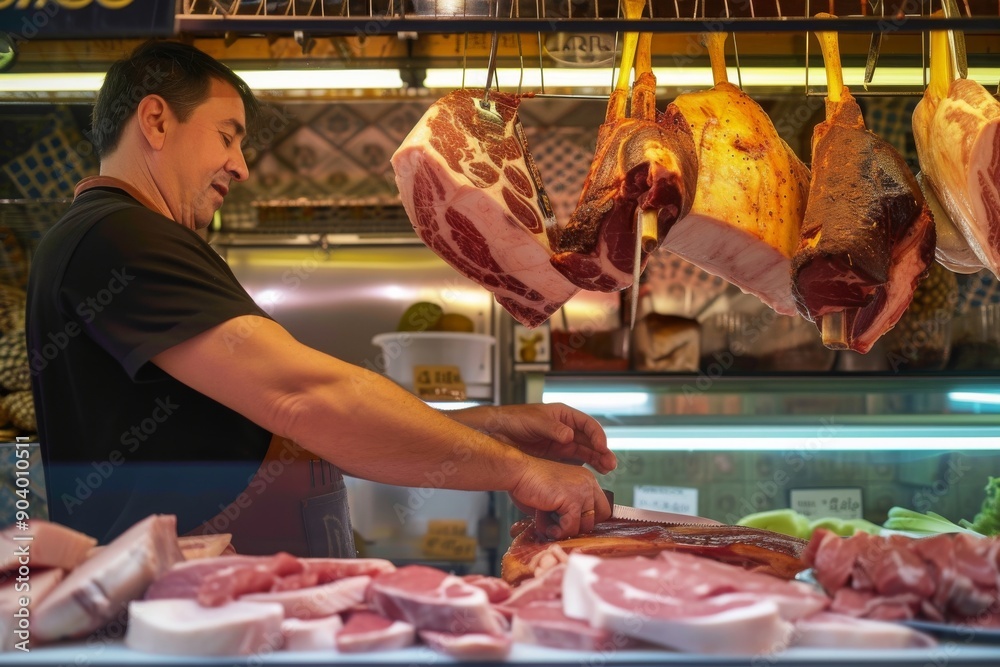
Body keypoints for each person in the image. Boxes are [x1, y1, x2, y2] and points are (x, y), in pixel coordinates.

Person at [26, 40, 615, 554]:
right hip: (181, 620)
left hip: (218, 607)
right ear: (155, 120)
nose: (242, 166)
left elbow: (302, 429)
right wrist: (518, 471)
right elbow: (308, 399)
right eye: (228, 137)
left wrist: (495, 427)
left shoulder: (121, 238)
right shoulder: (118, 236)